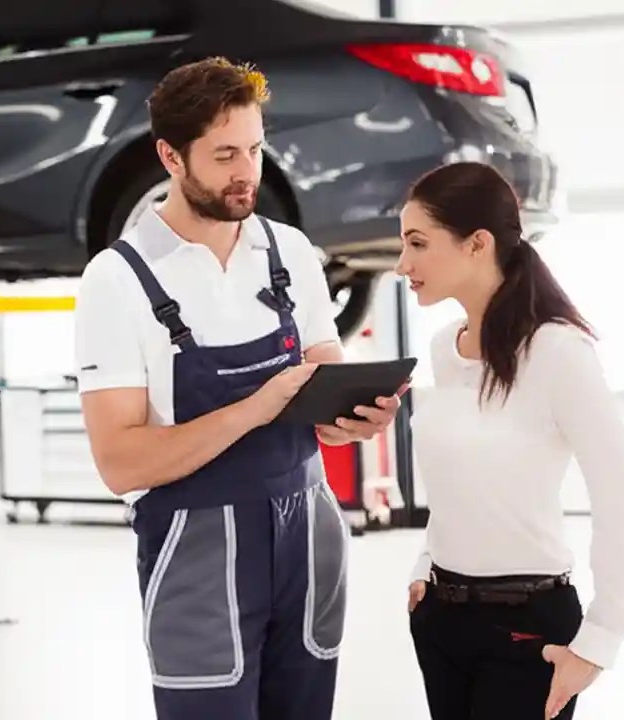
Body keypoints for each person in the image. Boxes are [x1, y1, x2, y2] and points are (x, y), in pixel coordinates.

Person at [73, 57, 404, 719]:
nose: (247, 171)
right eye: (225, 154)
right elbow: (121, 462)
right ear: (170, 156)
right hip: (195, 548)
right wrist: (256, 409)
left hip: (307, 534)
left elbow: (325, 381)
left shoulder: (291, 254)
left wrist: (356, 415)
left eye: (254, 149)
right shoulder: (117, 281)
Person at [394, 162, 624, 720]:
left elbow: (622, 497)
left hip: (527, 627)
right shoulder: (446, 348)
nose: (402, 264)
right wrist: (423, 567)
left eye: (418, 243)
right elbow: (459, 481)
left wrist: (600, 640)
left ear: (476, 244)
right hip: (442, 619)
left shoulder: (559, 352)